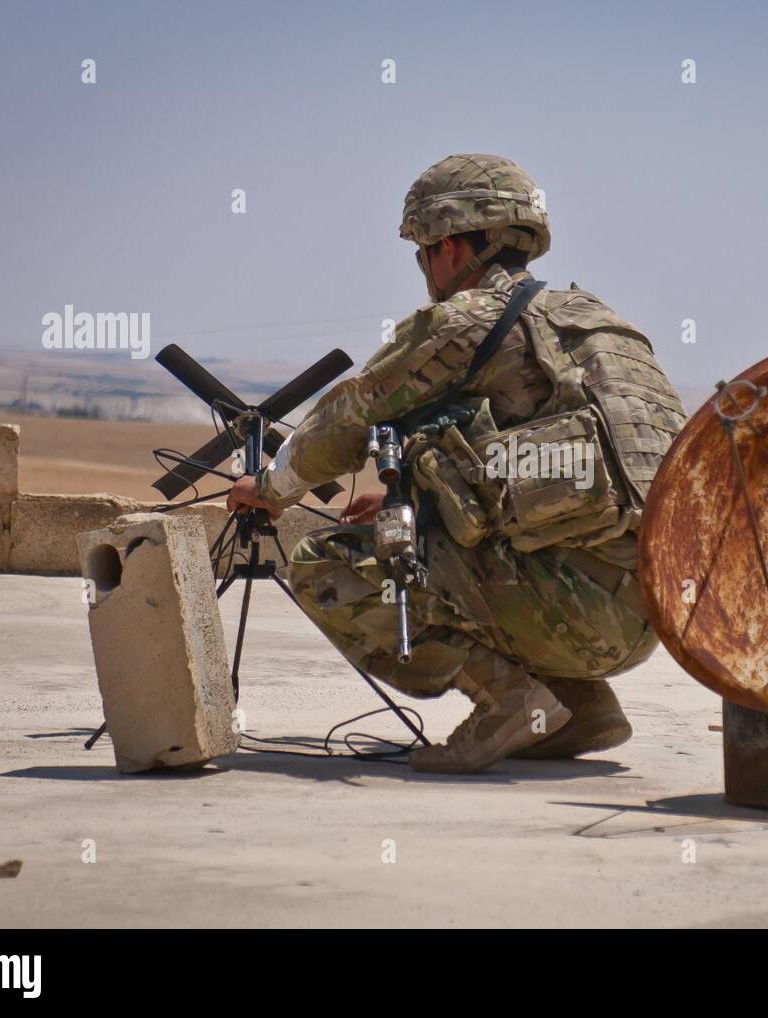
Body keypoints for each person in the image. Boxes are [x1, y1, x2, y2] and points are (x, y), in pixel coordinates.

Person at [227, 154, 686, 773]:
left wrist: (271, 487)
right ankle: (582, 708)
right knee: (408, 535)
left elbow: (349, 417)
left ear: (448, 245)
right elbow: (541, 473)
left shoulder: (470, 322)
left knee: (326, 563)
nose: (425, 270)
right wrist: (415, 504)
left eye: (424, 252)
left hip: (575, 608)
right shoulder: (606, 327)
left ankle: (509, 702)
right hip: (654, 613)